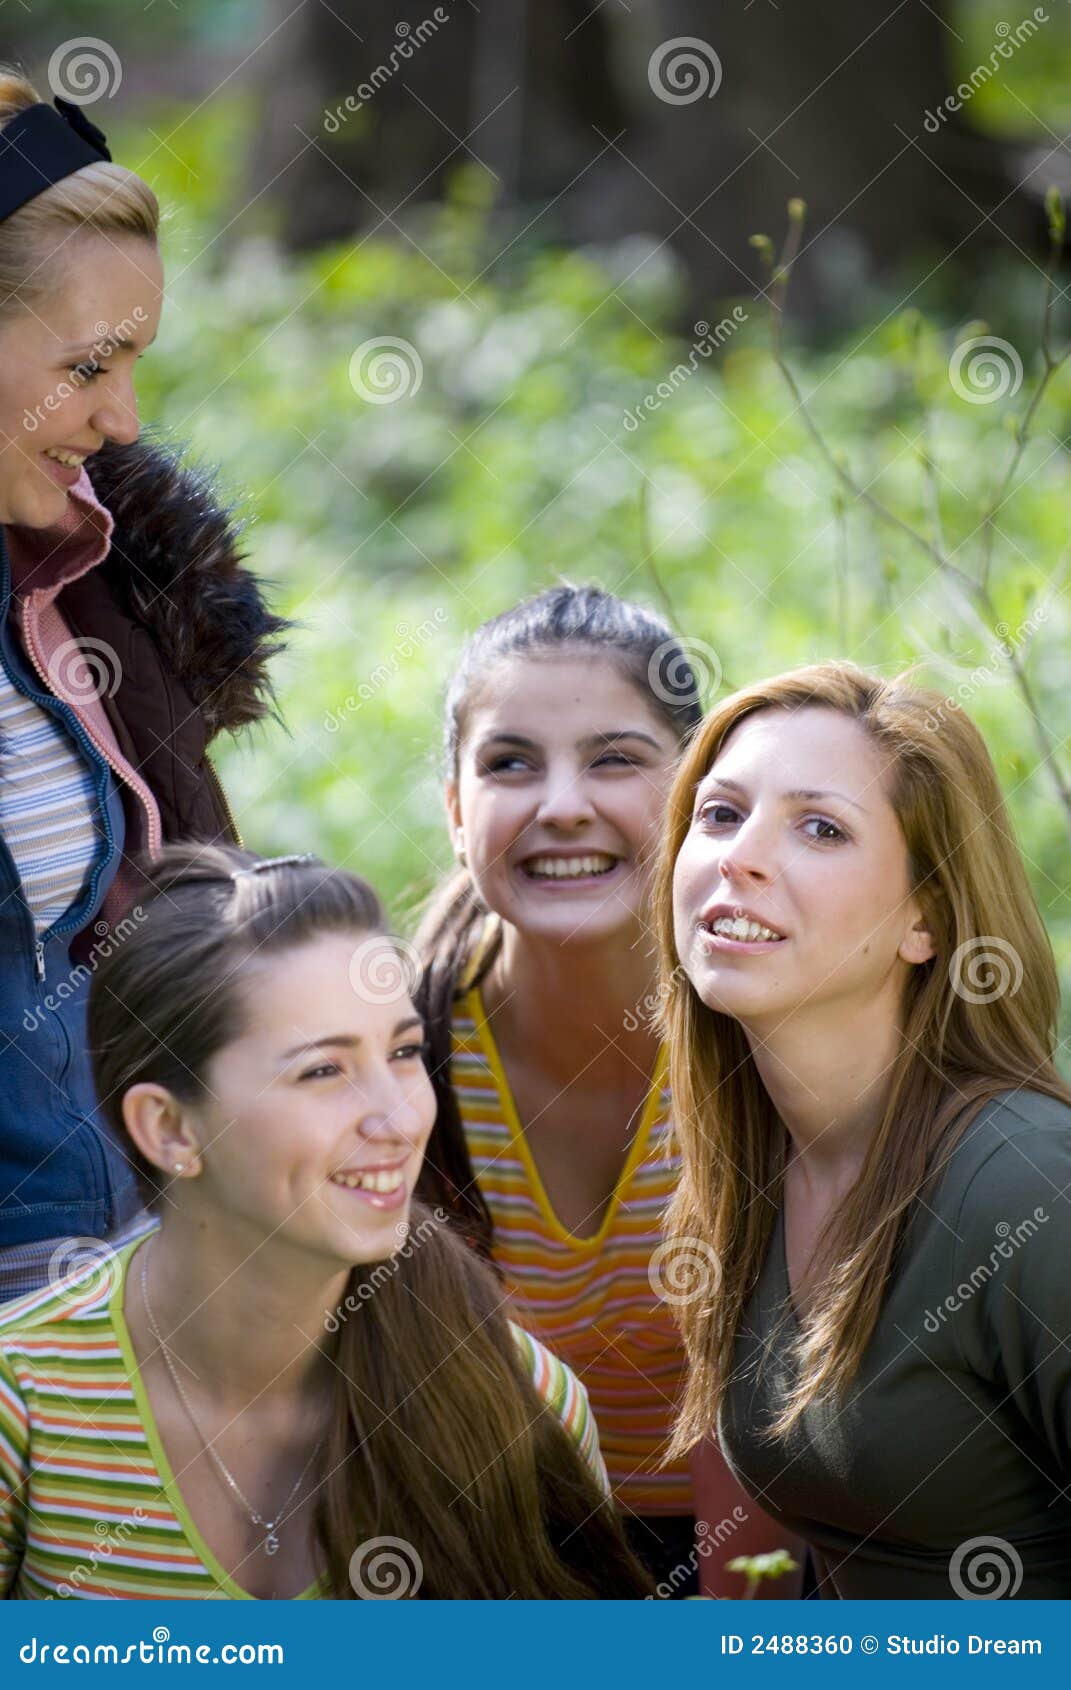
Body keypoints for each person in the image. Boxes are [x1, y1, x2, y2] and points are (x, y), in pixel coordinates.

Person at [0, 843, 654, 1599]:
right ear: (170, 1129)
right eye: (323, 1070)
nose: (399, 1118)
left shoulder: (522, 1399)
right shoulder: (26, 1404)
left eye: (404, 1052)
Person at [654, 660, 1071, 1598]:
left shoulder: (1024, 1186)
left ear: (922, 919)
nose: (739, 856)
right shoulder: (747, 1166)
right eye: (718, 815)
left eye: (820, 828)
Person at [415, 584, 794, 1596]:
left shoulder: (769, 1032)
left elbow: (789, 1410)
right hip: (495, 1557)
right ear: (457, 812)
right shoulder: (397, 1049)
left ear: (696, 799)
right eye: (510, 763)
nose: (563, 803)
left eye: (615, 757)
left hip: (761, 1549)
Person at [0, 68, 286, 1295]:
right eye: (89, 365)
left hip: (119, 1287)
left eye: (135, 365)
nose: (123, 420)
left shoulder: (87, 589)